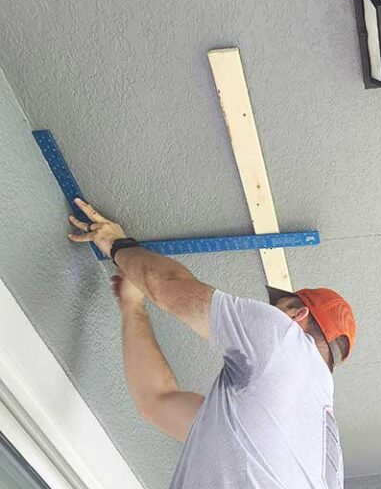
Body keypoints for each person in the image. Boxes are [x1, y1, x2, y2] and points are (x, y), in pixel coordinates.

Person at [66, 197, 356, 489]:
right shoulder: (315, 446)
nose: (270, 311)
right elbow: (157, 403)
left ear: (298, 314)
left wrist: (116, 244)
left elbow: (167, 287)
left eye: (278, 306)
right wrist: (132, 307)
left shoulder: (285, 340)